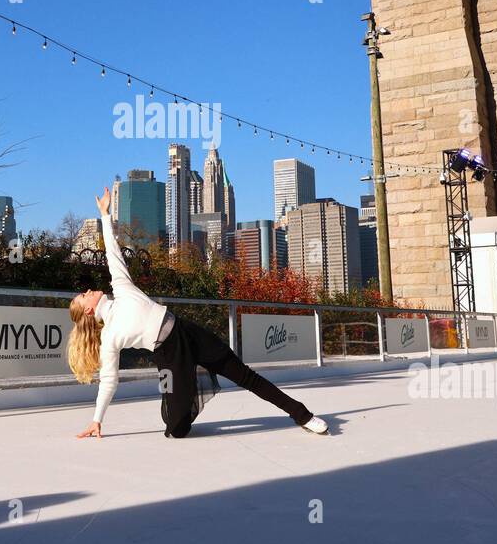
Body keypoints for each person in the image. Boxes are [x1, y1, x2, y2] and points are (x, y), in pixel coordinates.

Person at [67, 185, 328, 439]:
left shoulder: (121, 287)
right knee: (176, 429)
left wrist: (105, 214)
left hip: (185, 331)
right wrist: (96, 420)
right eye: (83, 296)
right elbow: (109, 381)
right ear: (88, 311)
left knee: (245, 375)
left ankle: (302, 415)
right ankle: (188, 382)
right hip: (168, 357)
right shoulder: (109, 336)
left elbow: (113, 253)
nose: (88, 290)